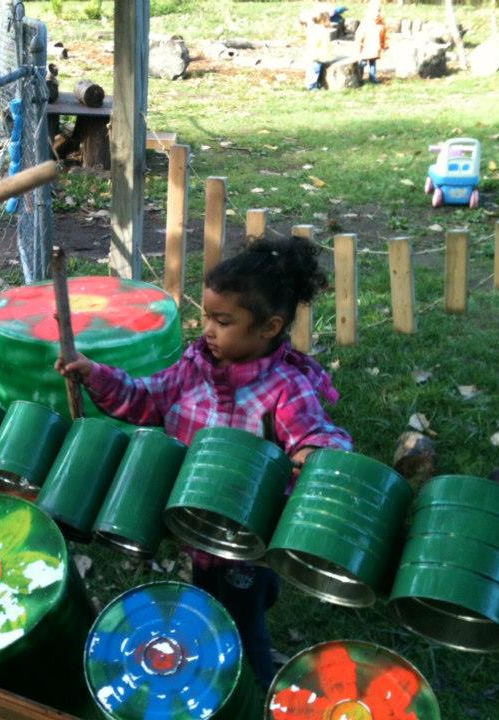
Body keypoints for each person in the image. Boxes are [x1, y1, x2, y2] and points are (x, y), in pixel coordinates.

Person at [56, 237, 352, 689]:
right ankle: (231, 649)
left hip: (245, 538)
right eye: (207, 316)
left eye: (223, 320)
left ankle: (251, 697)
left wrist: (312, 453)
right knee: (209, 600)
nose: (207, 329)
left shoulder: (286, 387)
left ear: (269, 327)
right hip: (199, 528)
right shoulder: (195, 366)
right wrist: (95, 374)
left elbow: (317, 435)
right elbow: (146, 398)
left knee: (238, 624)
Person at [302, 4, 335, 90]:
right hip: (316, 56)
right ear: (323, 21)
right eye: (328, 20)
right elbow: (314, 43)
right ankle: (312, 86)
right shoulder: (317, 30)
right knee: (314, 71)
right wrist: (313, 54)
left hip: (321, 56)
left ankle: (318, 83)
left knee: (319, 70)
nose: (330, 22)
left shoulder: (321, 29)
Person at [356, 0, 388, 83]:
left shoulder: (381, 24)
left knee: (373, 64)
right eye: (375, 11)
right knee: (362, 63)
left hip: (375, 49)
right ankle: (359, 77)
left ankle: (372, 77)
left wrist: (385, 45)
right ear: (369, 12)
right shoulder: (365, 23)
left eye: (379, 11)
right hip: (366, 48)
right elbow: (360, 34)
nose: (377, 13)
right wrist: (359, 44)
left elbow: (385, 36)